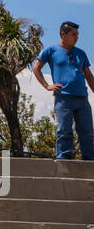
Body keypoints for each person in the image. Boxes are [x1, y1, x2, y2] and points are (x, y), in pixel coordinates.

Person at [32, 22, 94, 161]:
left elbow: (88, 75)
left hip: (82, 98)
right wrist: (47, 86)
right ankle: (63, 159)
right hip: (63, 98)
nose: (76, 37)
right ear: (63, 34)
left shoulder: (80, 53)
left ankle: (89, 160)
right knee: (64, 131)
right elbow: (36, 67)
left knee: (87, 131)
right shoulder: (51, 50)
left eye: (77, 35)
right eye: (73, 34)